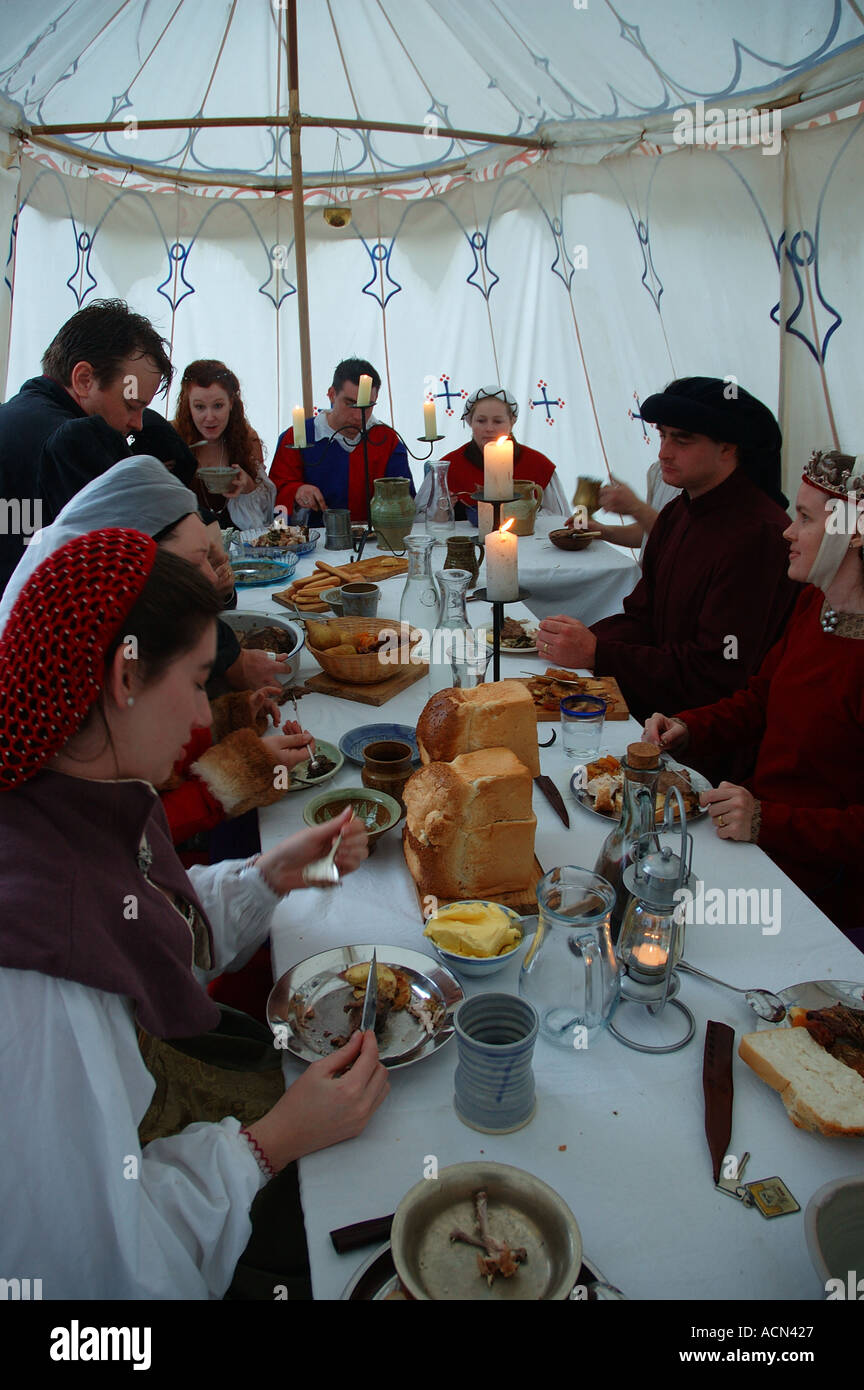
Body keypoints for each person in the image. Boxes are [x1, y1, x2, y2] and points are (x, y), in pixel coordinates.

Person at [0, 531, 385, 1298]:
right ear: (125, 676)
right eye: (200, 682)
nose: (207, 721)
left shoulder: (67, 794)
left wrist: (274, 871)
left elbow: (142, 926)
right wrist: (269, 1145)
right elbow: (98, 1271)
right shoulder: (40, 980)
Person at [644, 450, 864, 950]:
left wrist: (768, 819)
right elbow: (762, 698)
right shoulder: (815, 604)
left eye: (805, 519)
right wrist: (690, 725)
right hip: (757, 843)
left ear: (853, 533)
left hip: (824, 896)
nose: (787, 531)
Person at [537, 377, 800, 725]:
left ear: (728, 448)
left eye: (682, 439)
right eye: (663, 435)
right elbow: (642, 617)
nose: (663, 452)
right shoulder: (680, 511)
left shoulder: (758, 534)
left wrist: (598, 653)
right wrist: (576, 642)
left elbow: (718, 670)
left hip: (702, 729)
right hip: (659, 701)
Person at [0, 454, 292, 691]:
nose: (212, 575)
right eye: (196, 561)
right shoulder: (76, 597)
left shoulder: (115, 555)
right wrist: (231, 662)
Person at [0, 298, 174, 593]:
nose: (138, 423)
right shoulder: (72, 441)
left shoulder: (14, 415)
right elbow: (121, 574)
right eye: (132, 405)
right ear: (84, 380)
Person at [269, 358, 414, 525]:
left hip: (374, 543)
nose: (357, 415)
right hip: (314, 543)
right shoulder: (299, 436)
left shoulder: (385, 439)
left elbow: (405, 498)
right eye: (350, 403)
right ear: (332, 394)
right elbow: (275, 493)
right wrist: (296, 491)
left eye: (367, 406)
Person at [436, 385, 567, 524]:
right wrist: (442, 510)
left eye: (498, 421)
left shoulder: (538, 465)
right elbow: (425, 522)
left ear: (512, 422)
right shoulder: (448, 467)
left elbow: (558, 520)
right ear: (470, 422)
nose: (489, 428)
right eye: (481, 421)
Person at [173, 360, 276, 528]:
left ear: (231, 403)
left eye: (218, 406)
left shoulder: (247, 440)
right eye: (199, 407)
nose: (210, 417)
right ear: (188, 406)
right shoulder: (174, 438)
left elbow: (266, 516)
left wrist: (248, 487)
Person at [583, 461, 680, 560]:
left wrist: (636, 508)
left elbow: (682, 545)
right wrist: (604, 531)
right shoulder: (659, 470)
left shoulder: (694, 493)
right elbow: (648, 534)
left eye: (682, 444)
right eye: (662, 444)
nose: (663, 453)